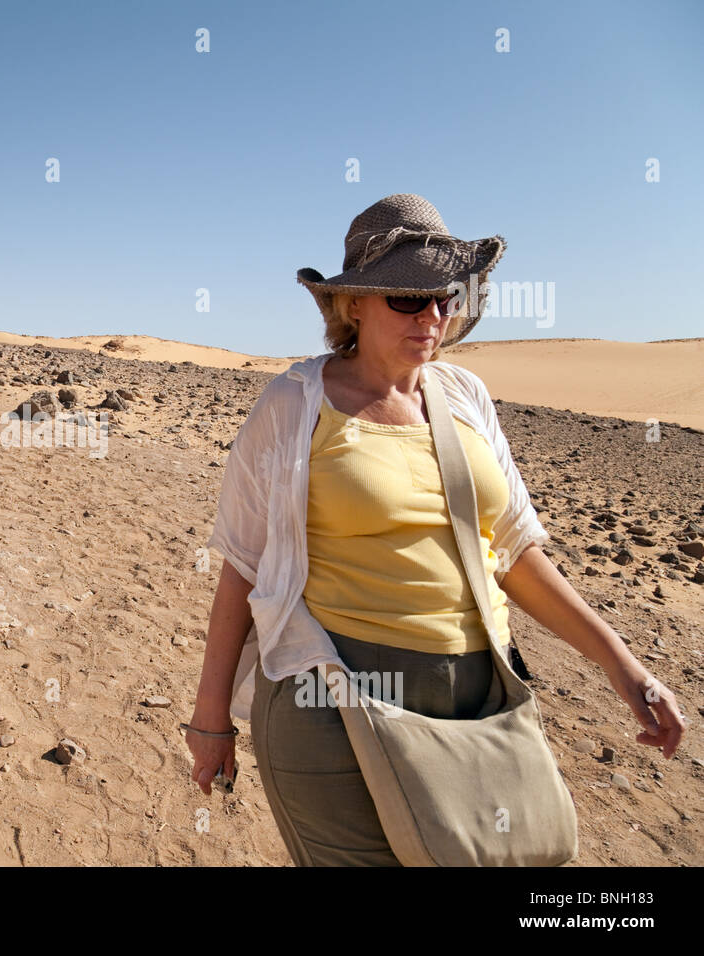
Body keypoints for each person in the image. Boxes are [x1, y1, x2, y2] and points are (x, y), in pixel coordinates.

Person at [186, 194, 685, 866]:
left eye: (443, 299)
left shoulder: (465, 397)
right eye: (408, 299)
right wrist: (210, 720)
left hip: (482, 696)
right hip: (333, 699)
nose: (433, 316)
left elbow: (513, 552)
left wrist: (624, 668)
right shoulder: (293, 405)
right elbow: (243, 569)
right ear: (352, 304)